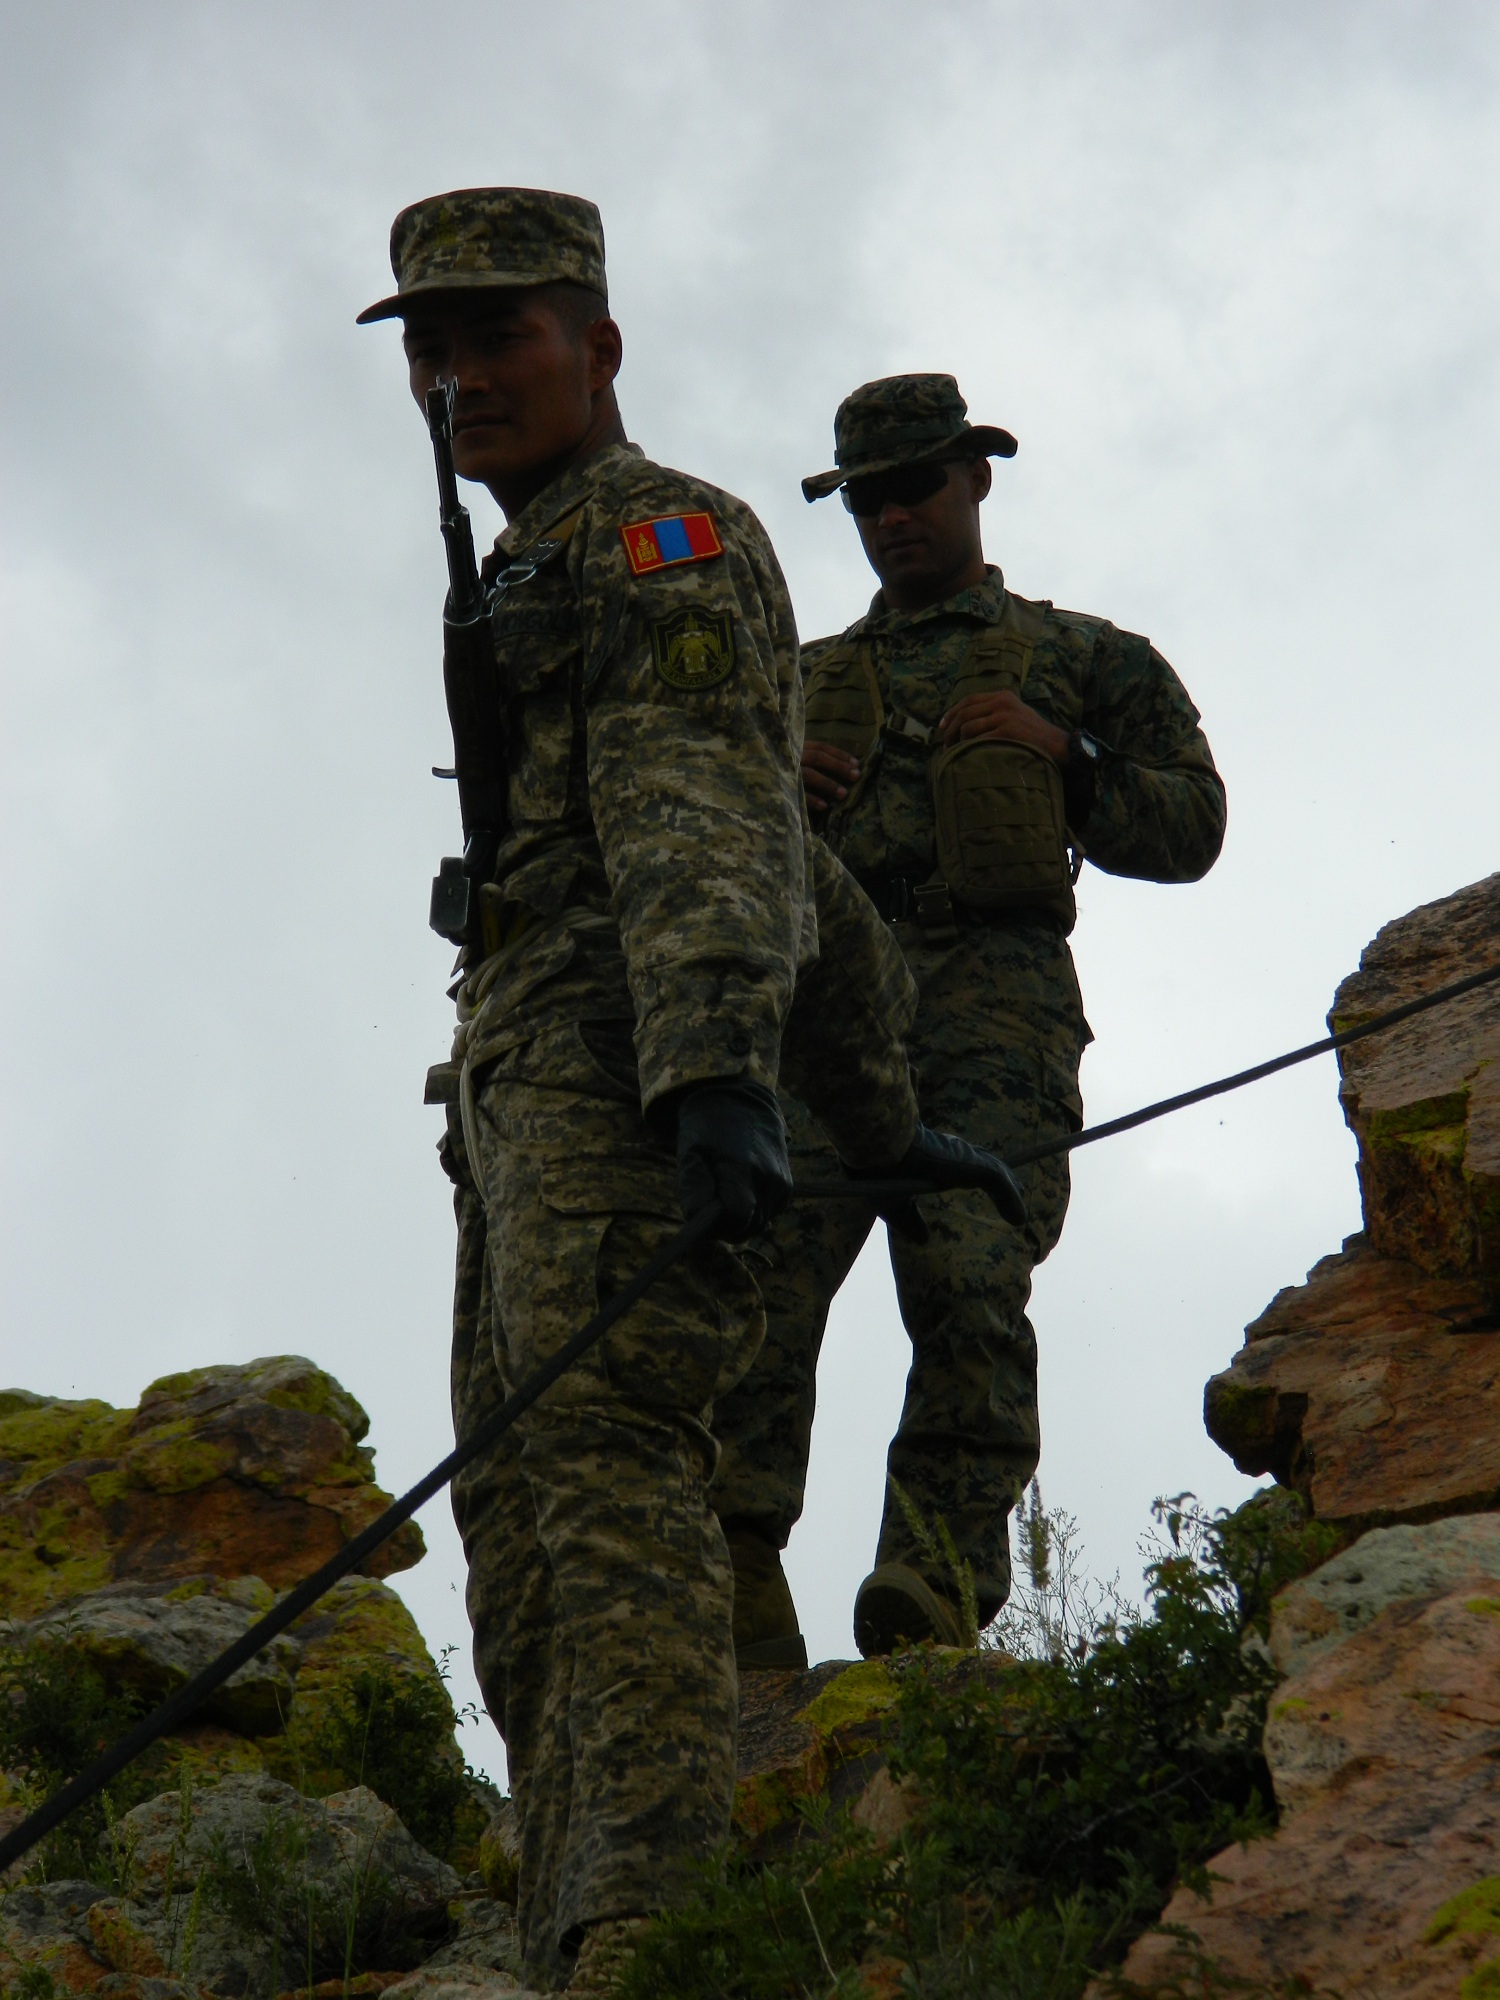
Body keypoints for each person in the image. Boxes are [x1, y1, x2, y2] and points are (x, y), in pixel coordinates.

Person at [359, 200, 1017, 1992]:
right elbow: (806, 861)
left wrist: (723, 1073)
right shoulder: (527, 558)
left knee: (616, 1481)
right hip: (518, 1079)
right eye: (431, 347)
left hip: (615, 1069)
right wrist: (879, 1109)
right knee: (516, 1505)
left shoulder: (661, 538)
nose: (459, 377)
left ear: (600, 347)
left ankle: (653, 1935)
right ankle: (569, 1905)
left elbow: (709, 821)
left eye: (501, 337)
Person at [711, 373, 1227, 1663]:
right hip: (823, 1004)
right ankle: (732, 1577)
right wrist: (776, 797)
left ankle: (931, 1583)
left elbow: (1193, 826)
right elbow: (690, 845)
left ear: (975, 479)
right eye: (866, 501)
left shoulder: (1082, 660)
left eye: (914, 489)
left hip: (996, 1005)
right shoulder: (796, 678)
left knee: (971, 1278)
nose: (891, 518)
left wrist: (1070, 757)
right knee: (755, 1278)